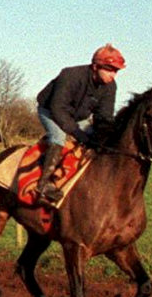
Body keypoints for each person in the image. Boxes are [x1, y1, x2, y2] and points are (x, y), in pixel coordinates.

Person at [33, 44, 124, 205]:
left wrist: (106, 134)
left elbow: (104, 116)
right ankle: (43, 184)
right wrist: (78, 133)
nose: (113, 75)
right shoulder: (71, 75)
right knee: (58, 137)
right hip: (50, 110)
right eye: (109, 69)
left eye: (116, 70)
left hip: (78, 116)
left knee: (95, 140)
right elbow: (58, 109)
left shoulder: (110, 86)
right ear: (95, 66)